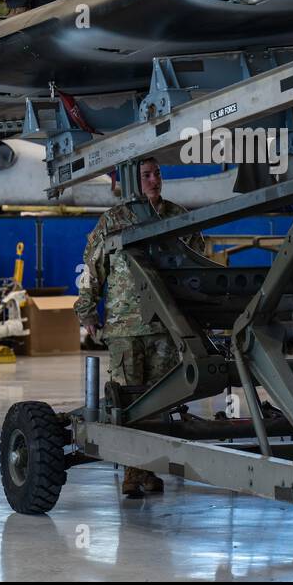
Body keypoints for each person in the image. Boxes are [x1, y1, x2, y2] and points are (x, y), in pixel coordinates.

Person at [73, 158, 203, 497]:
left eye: (158, 173)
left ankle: (147, 470)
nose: (154, 180)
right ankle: (134, 472)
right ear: (132, 181)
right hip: (125, 328)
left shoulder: (179, 217)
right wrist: (86, 311)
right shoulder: (113, 221)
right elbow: (92, 269)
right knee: (130, 403)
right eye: (146, 176)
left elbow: (197, 266)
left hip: (165, 325)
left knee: (159, 402)